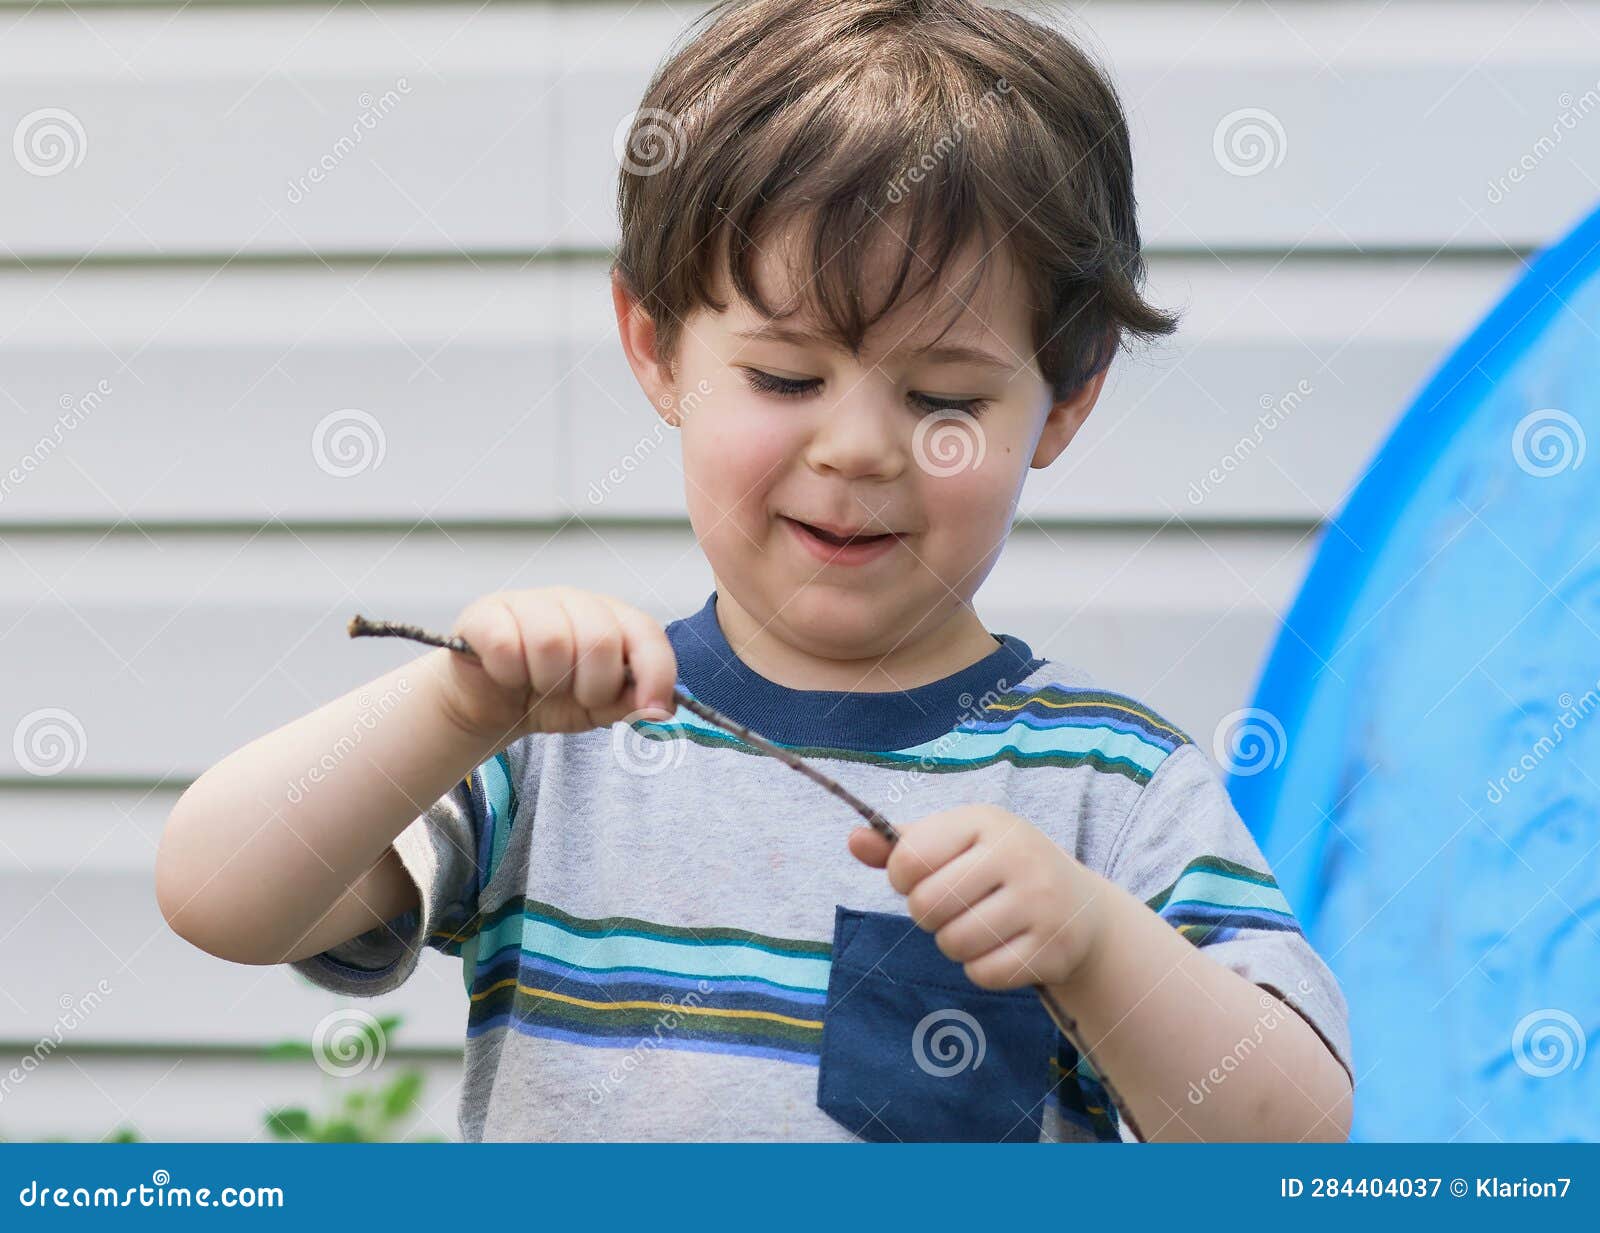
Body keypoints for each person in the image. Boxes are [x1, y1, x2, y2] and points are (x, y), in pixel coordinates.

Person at [156, 0, 1352, 1143]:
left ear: (1064, 400)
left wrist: (1095, 944)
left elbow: (1293, 1138)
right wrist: (455, 705)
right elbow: (218, 895)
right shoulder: (553, 742)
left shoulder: (1108, 785)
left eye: (943, 397)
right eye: (785, 379)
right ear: (656, 348)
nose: (858, 449)